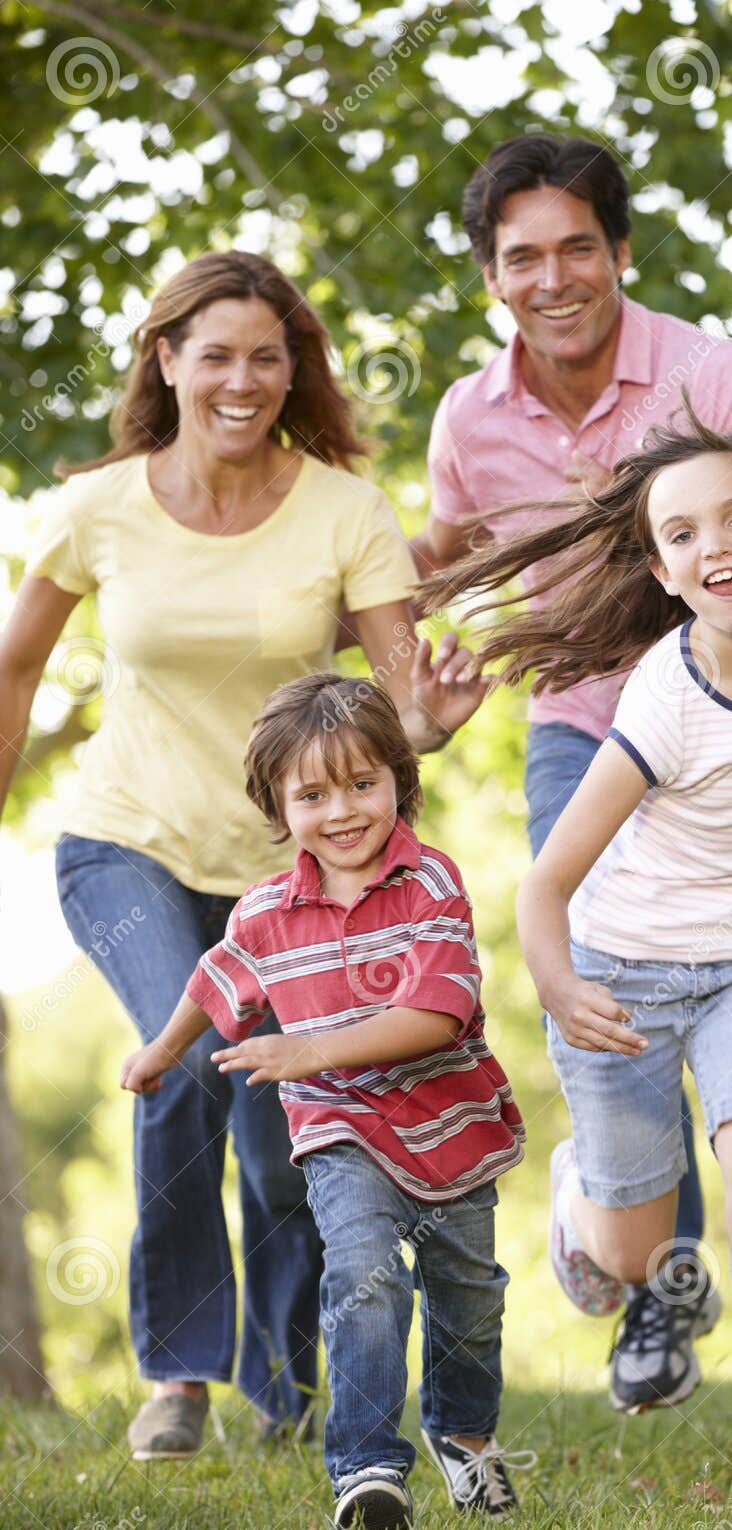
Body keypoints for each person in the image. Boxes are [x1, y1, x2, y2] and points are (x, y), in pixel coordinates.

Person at [414, 133, 732, 1436]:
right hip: (579, 737)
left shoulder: (703, 374)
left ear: (619, 251)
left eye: (575, 247)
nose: (551, 276)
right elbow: (438, 557)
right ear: (489, 279)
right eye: (520, 257)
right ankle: (658, 1278)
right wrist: (335, 598)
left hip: (730, 746)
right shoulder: (468, 417)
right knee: (614, 1018)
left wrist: (714, 622)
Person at [0, 251, 483, 1459]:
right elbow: (13, 667)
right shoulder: (97, 507)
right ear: (166, 360)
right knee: (186, 1049)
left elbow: (397, 705)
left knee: (285, 1116)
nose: (242, 378)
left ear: (292, 369)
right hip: (127, 838)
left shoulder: (343, 511)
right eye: (214, 353)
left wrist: (430, 720)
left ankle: (286, 1378)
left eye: (267, 356)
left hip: (289, 872)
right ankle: (177, 1374)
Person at [440, 413, 732, 1513]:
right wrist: (558, 987)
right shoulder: (664, 694)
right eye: (684, 533)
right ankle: (579, 1207)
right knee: (637, 1255)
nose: (716, 544)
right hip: (623, 975)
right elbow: (544, 884)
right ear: (662, 568)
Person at [120, 674, 529, 1530]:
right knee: (362, 1278)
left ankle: (464, 1435)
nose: (341, 811)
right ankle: (367, 1466)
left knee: (467, 1295)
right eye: (311, 794)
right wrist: (162, 1052)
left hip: (449, 1125)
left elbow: (437, 1012)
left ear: (398, 781)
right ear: (277, 802)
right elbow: (217, 981)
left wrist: (306, 1047)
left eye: (361, 784)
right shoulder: (267, 910)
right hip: (338, 1127)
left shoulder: (431, 886)